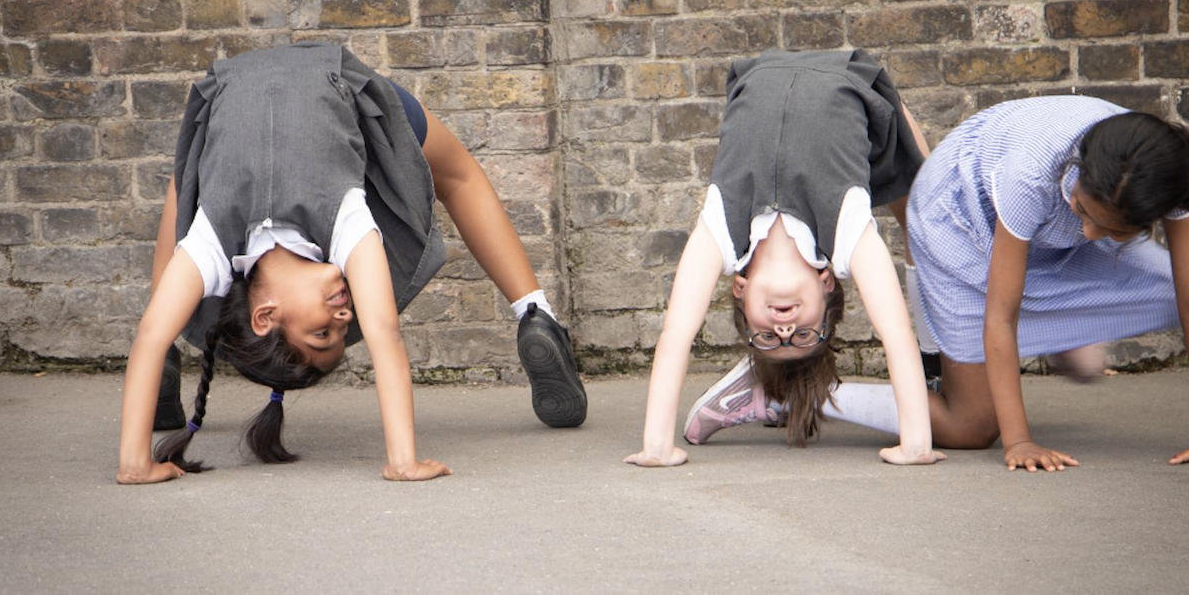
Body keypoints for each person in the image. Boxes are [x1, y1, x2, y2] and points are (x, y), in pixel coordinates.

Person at [116, 43, 585, 484]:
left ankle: (172, 355)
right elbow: (150, 334)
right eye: (342, 331)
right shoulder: (217, 241)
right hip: (242, 88)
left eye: (322, 332)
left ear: (264, 316)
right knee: (191, 185)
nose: (344, 316)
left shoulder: (340, 221)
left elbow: (384, 332)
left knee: (195, 181)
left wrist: (404, 462)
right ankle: (534, 311)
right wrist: (134, 461)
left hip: (314, 82)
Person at [624, 49, 944, 468]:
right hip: (858, 84)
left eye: (769, 339)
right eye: (805, 335)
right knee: (923, 223)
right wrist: (916, 444)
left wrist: (657, 446)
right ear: (826, 286)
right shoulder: (845, 234)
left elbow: (675, 335)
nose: (786, 329)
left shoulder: (721, 232)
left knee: (921, 224)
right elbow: (895, 333)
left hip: (758, 74)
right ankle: (935, 355)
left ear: (741, 291)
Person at [907, 94, 1189, 472]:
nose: (1091, 233)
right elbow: (1000, 316)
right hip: (959, 216)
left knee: (1171, 292)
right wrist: (1020, 442)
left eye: (1113, 230)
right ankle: (861, 395)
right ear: (1077, 171)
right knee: (971, 427)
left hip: (1044, 229)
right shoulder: (1029, 176)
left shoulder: (1171, 177)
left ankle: (1058, 328)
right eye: (1082, 210)